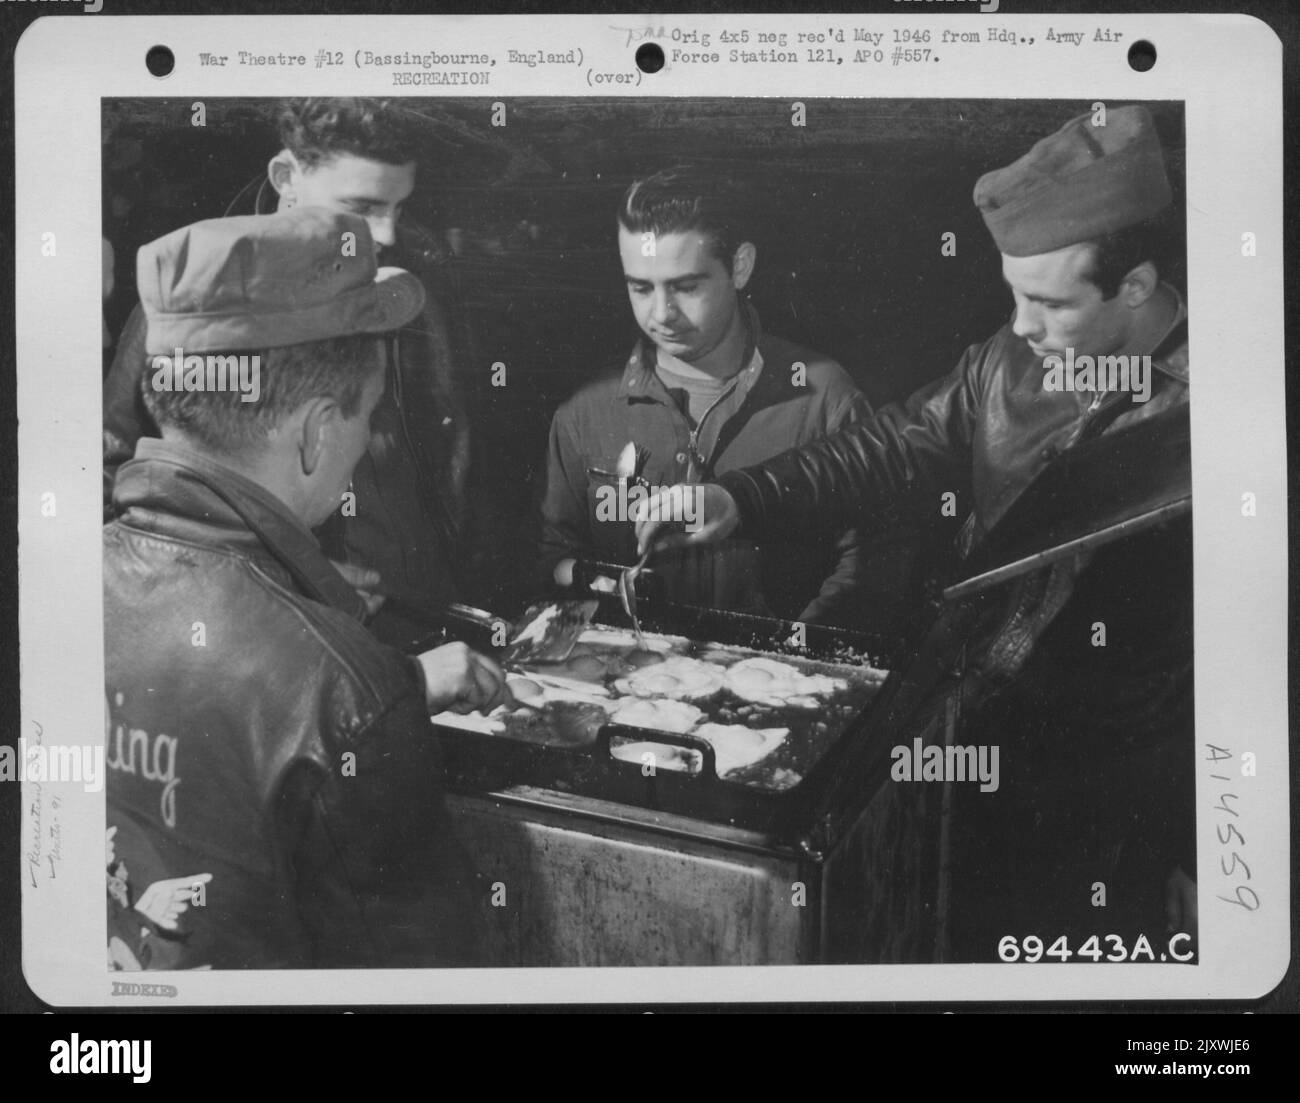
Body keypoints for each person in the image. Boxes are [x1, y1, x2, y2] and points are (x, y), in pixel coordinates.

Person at [634, 106, 1195, 957]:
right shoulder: (1011, 358)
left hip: (1112, 789)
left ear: (1139, 285)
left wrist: (1193, 834)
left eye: (1047, 302)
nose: (1021, 327)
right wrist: (739, 498)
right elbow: (892, 444)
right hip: (970, 739)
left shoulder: (1230, 412)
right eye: (1012, 295)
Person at [104, 208, 509, 970]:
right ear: (318, 432)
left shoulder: (53, 598)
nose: (364, 443)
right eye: (369, 412)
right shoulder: (345, 691)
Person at [103, 97, 471, 648]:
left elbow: (449, 455)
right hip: (273, 637)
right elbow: (117, 493)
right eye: (362, 206)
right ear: (286, 176)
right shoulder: (200, 303)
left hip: (418, 626)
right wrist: (282, 576)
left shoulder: (416, 282)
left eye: (399, 207)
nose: (389, 234)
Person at [540, 165, 886, 626]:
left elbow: (870, 561)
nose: (661, 314)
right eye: (640, 287)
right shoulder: (583, 414)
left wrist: (787, 661)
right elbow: (550, 558)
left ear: (740, 267)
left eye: (686, 287)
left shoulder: (823, 399)